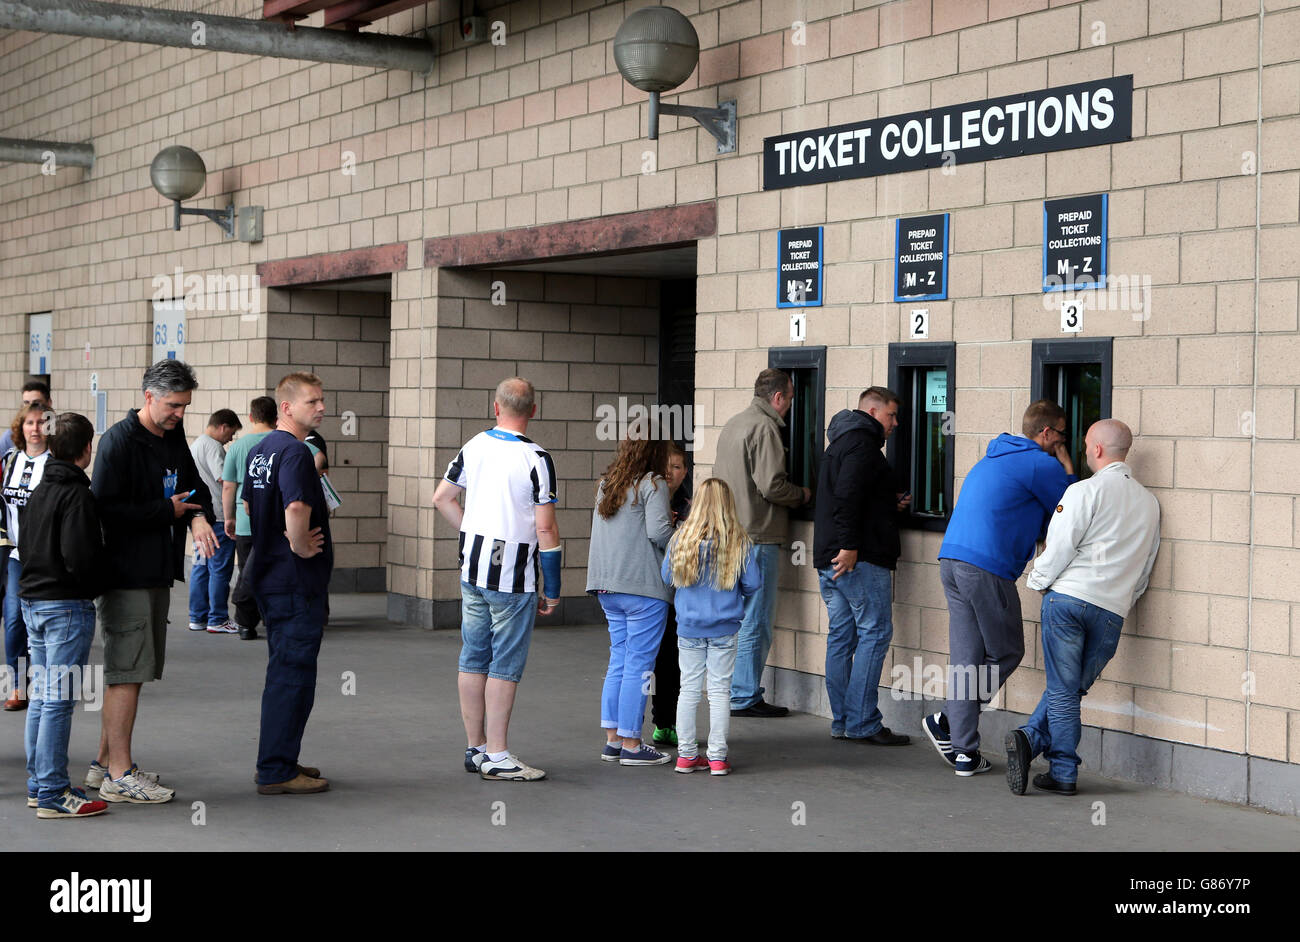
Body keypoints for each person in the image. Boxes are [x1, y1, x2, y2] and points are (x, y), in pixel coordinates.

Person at [1006, 419, 1160, 797]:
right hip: (1112, 610)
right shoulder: (1150, 504)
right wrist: (1124, 597)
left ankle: (1062, 770)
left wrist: (1037, 583)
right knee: (1070, 689)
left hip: (1069, 600)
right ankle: (1032, 743)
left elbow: (1061, 546)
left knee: (1062, 690)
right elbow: (1145, 566)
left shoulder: (1083, 491)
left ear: (1096, 450)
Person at [87, 359, 219, 804]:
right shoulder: (119, 443)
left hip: (155, 571)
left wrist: (199, 516)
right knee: (128, 671)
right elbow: (104, 509)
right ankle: (120, 775)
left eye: (184, 406)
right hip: (125, 573)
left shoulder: (171, 435)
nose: (179, 414)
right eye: (172, 405)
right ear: (148, 397)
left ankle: (104, 763)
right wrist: (170, 512)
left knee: (133, 669)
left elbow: (192, 483)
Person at [923, 400, 1076, 777]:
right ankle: (951, 721)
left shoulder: (993, 457)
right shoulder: (1042, 464)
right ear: (1046, 433)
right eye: (1061, 434)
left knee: (967, 657)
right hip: (985, 566)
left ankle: (964, 751)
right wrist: (1067, 464)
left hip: (951, 560)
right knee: (1008, 651)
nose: (1062, 441)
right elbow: (1073, 504)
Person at [433, 377, 560, 782]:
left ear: (495, 407)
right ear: (533, 411)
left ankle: (477, 748)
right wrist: (553, 588)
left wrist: (471, 533)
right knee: (505, 663)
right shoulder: (537, 458)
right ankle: (499, 753)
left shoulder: (474, 446)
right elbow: (546, 530)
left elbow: (442, 498)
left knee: (473, 656)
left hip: (473, 567)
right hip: (513, 576)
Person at [244, 373, 332, 795]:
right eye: (312, 401)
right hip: (293, 581)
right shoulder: (296, 452)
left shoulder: (260, 451)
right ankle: (277, 769)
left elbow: (248, 502)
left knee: (285, 669)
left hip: (268, 578)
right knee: (292, 675)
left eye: (321, 400)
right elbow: (296, 505)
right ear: (287, 407)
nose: (321, 408)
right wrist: (299, 546)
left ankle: (282, 757)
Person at [20, 412, 110, 818]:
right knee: (57, 701)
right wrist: (95, 585)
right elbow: (80, 556)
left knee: (41, 697)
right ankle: (55, 792)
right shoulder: (77, 495)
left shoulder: (41, 488)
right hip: (65, 607)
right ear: (86, 449)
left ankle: (40, 785)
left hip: (33, 602)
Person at [813, 387, 912, 745]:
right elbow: (847, 495)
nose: (895, 423)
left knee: (842, 636)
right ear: (872, 411)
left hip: (828, 557)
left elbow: (853, 495)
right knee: (875, 632)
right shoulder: (862, 444)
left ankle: (843, 720)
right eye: (891, 415)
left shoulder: (840, 442)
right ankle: (863, 722)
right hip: (857, 558)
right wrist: (850, 545)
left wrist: (889, 502)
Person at [713, 368, 811, 717]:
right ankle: (744, 695)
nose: (790, 408)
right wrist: (802, 494)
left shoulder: (734, 423)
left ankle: (730, 689)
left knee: (733, 618)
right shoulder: (766, 427)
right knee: (756, 618)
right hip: (758, 535)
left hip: (728, 533)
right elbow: (772, 485)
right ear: (778, 398)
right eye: (790, 400)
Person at [662, 478, 760, 776]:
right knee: (719, 691)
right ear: (728, 505)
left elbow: (668, 578)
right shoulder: (739, 542)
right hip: (724, 628)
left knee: (688, 690)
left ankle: (686, 755)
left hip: (689, 627)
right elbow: (753, 583)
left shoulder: (681, 538)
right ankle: (717, 757)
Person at [587, 434, 674, 767]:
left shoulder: (608, 483)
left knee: (620, 659)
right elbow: (658, 532)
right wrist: (682, 535)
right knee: (640, 665)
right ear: (656, 452)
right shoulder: (653, 483)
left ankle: (613, 740)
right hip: (643, 588)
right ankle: (633, 744)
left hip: (607, 586)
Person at [1, 403, 52, 711]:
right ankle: (18, 686)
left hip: (46, 557)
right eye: (29, 423)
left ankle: (46, 681)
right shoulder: (9, 461)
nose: (35, 428)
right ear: (20, 428)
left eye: (41, 423)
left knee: (43, 621)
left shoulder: (55, 463)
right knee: (13, 622)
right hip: (16, 555)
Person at [223, 396, 277, 640]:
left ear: (251, 417)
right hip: (277, 521)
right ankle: (272, 617)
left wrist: (228, 518)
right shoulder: (285, 442)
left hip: (246, 521)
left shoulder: (237, 447)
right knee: (275, 569)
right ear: (276, 417)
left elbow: (229, 487)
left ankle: (246, 624)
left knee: (248, 570)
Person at [650, 441, 690, 747]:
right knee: (652, 659)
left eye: (677, 467)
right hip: (650, 590)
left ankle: (669, 722)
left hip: (678, 594)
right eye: (666, 466)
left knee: (673, 660)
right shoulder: (651, 499)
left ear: (684, 471)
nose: (671, 472)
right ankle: (656, 720)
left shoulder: (690, 506)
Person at [188, 409, 242, 634]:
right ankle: (218, 618)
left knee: (201, 567)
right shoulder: (213, 447)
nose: (231, 439)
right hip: (219, 516)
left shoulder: (195, 445)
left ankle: (197, 617)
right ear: (223, 426)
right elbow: (224, 479)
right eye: (231, 433)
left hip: (201, 517)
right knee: (219, 569)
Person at [0, 381, 51, 456]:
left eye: (36, 403)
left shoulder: (61, 432)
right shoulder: (11, 435)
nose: (31, 407)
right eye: (26, 403)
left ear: (49, 403)